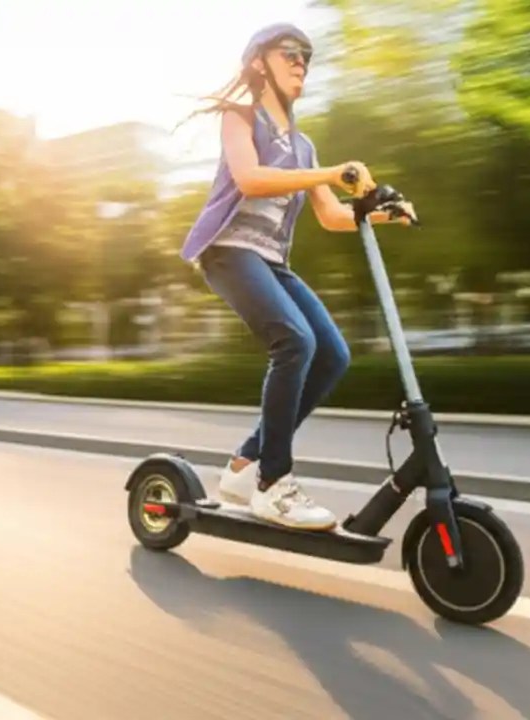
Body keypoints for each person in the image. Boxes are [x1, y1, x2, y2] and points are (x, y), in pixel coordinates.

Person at [177, 23, 417, 531]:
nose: (302, 62)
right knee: (294, 341)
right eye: (291, 53)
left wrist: (380, 215)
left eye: (307, 56)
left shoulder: (304, 146)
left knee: (331, 354)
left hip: (270, 262)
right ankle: (273, 483)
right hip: (229, 252)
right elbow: (251, 178)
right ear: (260, 62)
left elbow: (332, 217)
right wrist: (330, 174)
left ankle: (245, 466)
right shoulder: (239, 118)